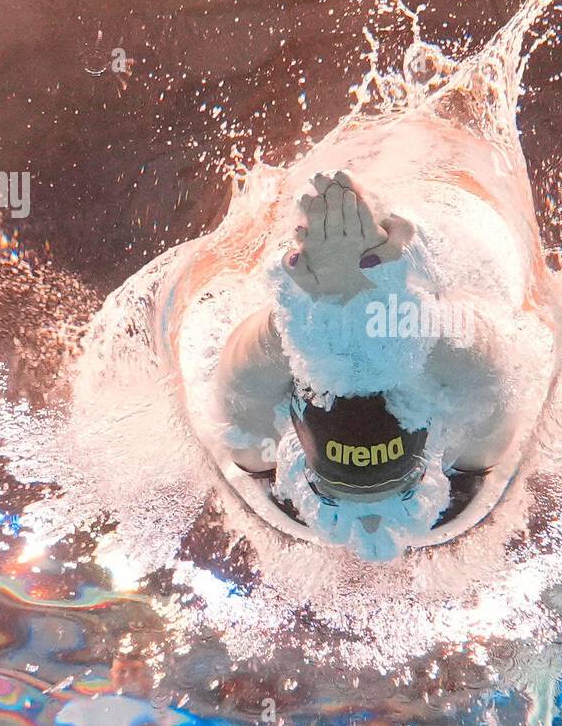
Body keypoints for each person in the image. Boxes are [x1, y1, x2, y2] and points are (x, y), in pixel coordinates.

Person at [212, 169, 520, 523]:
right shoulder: (474, 452)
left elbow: (242, 379)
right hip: (439, 230)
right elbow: (493, 369)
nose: (368, 524)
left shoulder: (257, 453)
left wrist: (319, 314)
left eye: (330, 496)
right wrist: (387, 306)